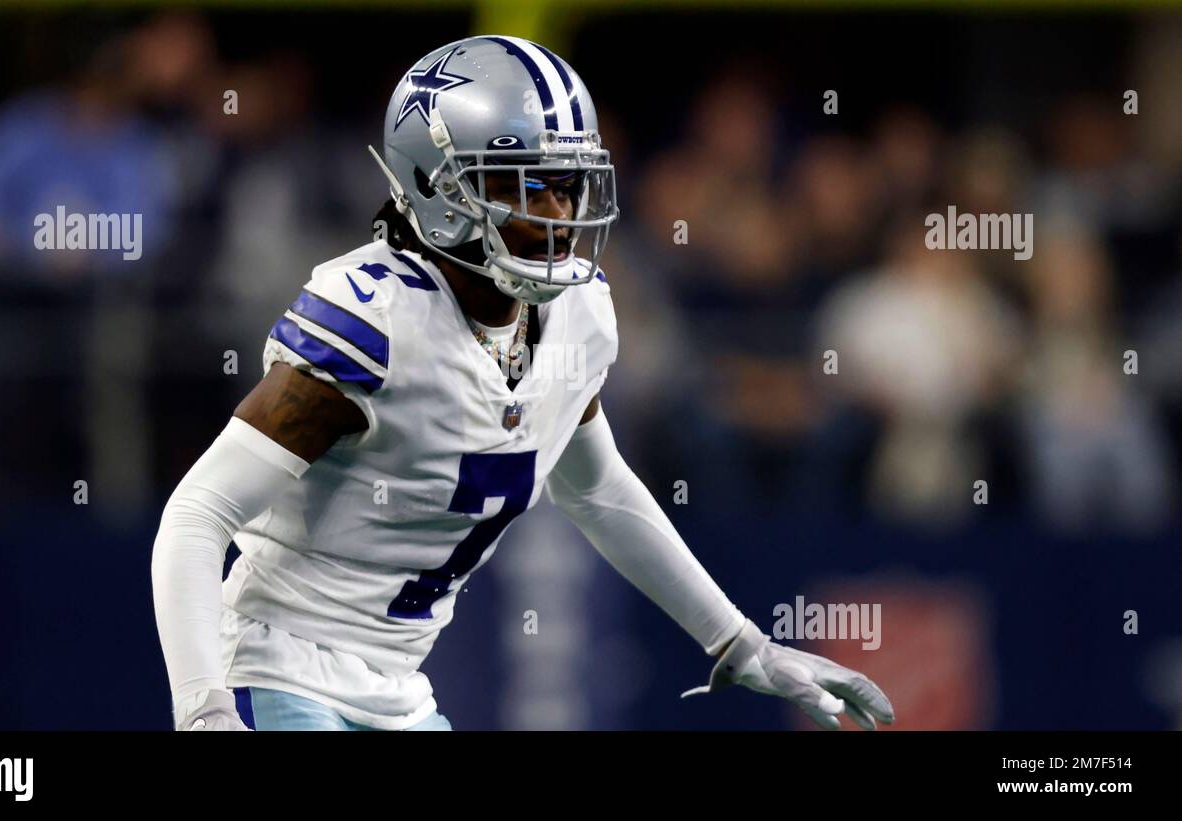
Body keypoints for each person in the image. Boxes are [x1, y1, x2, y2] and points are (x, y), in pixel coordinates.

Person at [150, 35, 894, 731]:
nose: (559, 214)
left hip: (399, 688)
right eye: (529, 187)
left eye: (569, 187)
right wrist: (204, 707)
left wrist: (739, 642)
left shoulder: (578, 315)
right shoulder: (375, 322)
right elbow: (197, 513)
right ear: (437, 189)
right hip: (279, 667)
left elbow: (599, 488)